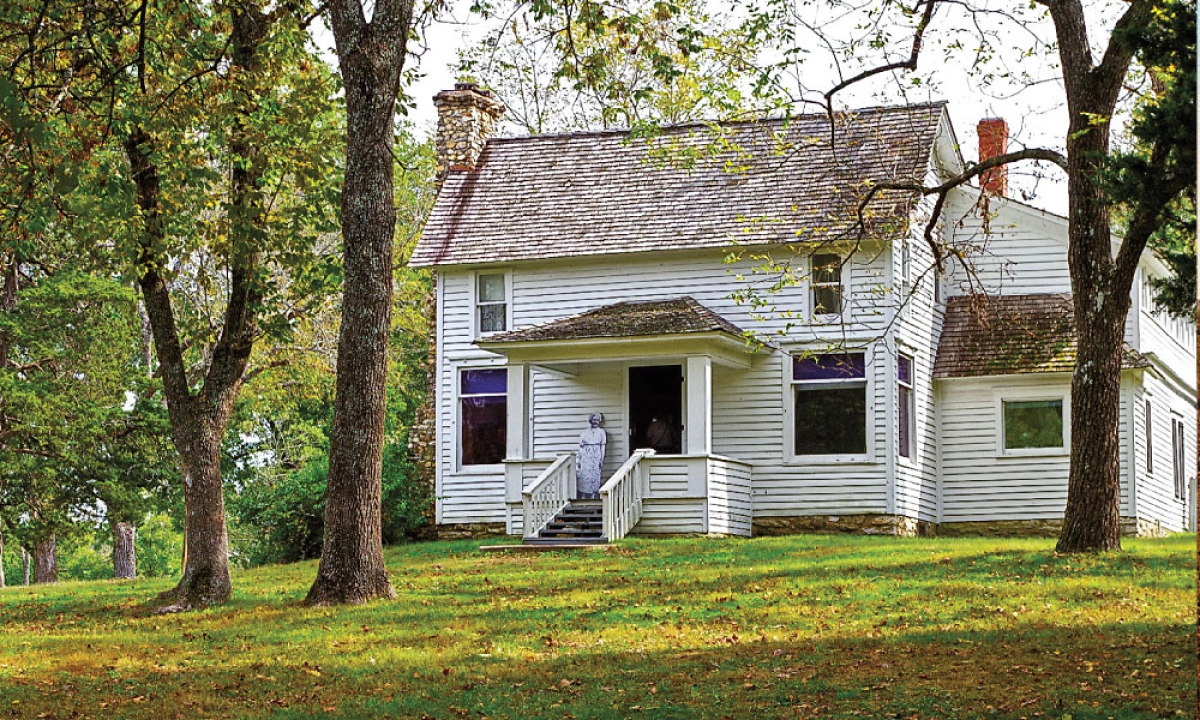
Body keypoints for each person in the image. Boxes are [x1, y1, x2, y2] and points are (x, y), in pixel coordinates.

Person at [576, 412, 606, 498]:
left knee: (595, 476)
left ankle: (593, 496)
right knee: (585, 476)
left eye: (597, 420)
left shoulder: (601, 432)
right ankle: (583, 496)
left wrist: (601, 460)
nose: (595, 422)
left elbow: (602, 447)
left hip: (596, 455)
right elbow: (581, 447)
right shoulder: (585, 432)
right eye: (594, 420)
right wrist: (580, 460)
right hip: (586, 455)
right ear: (590, 420)